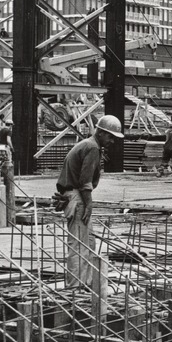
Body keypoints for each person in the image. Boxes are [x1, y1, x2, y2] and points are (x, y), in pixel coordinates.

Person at [54, 114, 123, 317]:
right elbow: (85, 181)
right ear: (101, 133)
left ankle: (86, 283)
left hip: (74, 195)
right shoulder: (92, 147)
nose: (112, 141)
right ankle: (75, 289)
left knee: (89, 243)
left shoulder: (89, 145)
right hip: (78, 198)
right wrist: (88, 204)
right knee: (79, 245)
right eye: (110, 137)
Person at [0, 126, 16, 221]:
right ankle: (6, 176)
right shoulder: (8, 131)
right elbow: (8, 140)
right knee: (8, 163)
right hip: (5, 147)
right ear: (11, 125)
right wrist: (12, 148)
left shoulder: (1, 130)